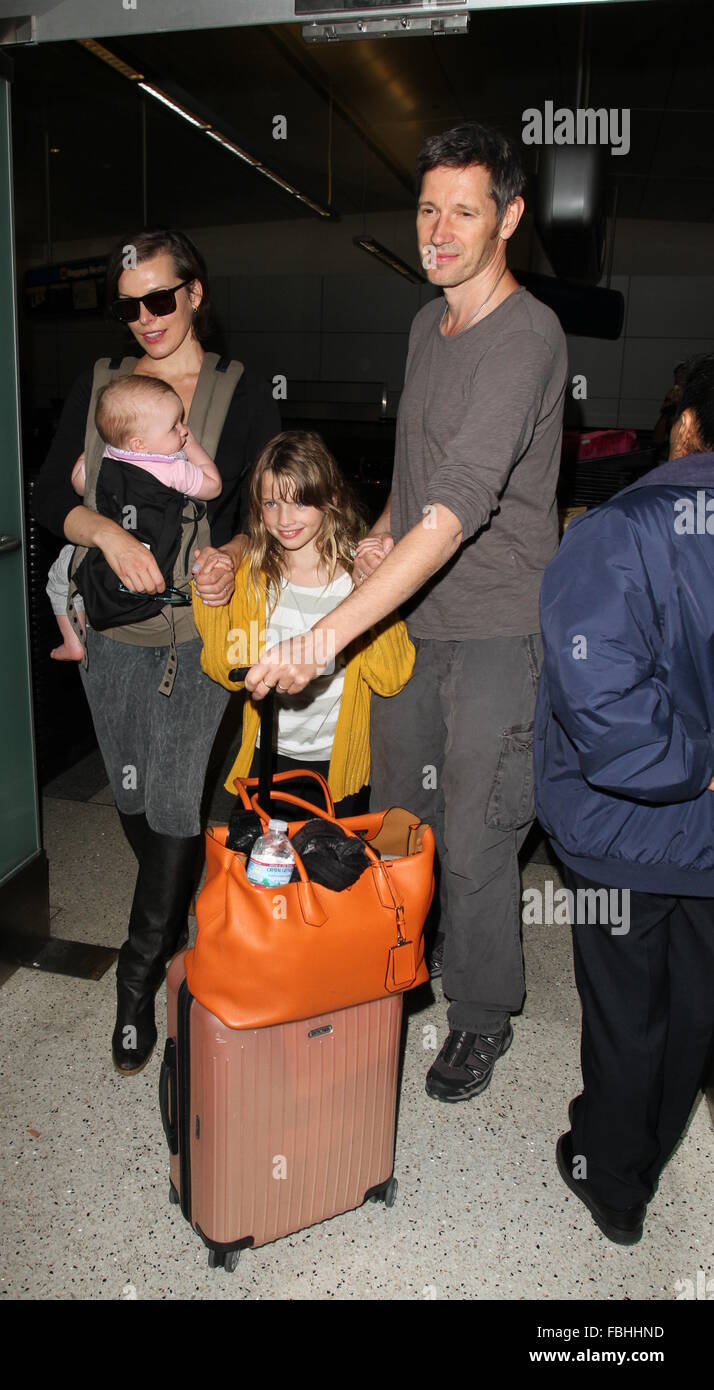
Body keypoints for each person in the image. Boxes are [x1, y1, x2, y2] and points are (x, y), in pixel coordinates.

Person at [243, 122, 568, 1103]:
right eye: (427, 208)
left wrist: (326, 633)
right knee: (399, 813)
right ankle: (402, 960)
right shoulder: (426, 327)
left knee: (475, 832)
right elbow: (416, 483)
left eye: (462, 210)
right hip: (412, 624)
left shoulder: (530, 338)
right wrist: (376, 534)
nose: (438, 229)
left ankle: (479, 1015)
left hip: (497, 627)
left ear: (506, 217)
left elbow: (457, 506)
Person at [33, 228, 280, 1076]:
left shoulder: (239, 394)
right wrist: (102, 530)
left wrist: (233, 553)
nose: (144, 318)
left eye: (160, 299)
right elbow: (46, 494)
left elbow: (265, 508)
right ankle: (178, 911)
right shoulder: (103, 386)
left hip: (198, 630)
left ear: (195, 293)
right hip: (111, 630)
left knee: (174, 800)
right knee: (134, 798)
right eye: (128, 305)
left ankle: (136, 984)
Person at [534, 352, 714, 1245]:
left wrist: (697, 765)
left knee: (624, 1014)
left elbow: (600, 699)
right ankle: (645, 1155)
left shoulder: (617, 528)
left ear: (685, 427)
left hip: (622, 839)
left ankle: (612, 1182)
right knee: (695, 1015)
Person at [194, 430, 415, 821]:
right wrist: (212, 595)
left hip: (335, 765)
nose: (284, 519)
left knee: (322, 877)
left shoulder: (358, 575)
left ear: (331, 498)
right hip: (265, 757)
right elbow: (226, 672)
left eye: (300, 501)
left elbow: (391, 677)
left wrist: (376, 592)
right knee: (260, 874)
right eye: (272, 502)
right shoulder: (254, 578)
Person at [46, 375, 221, 661]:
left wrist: (93, 450)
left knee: (59, 577)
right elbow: (213, 485)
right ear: (139, 444)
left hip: (102, 558)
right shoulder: (171, 469)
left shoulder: (104, 458)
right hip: (155, 565)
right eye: (174, 426)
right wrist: (190, 447)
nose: (183, 430)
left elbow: (79, 483)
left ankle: (72, 638)